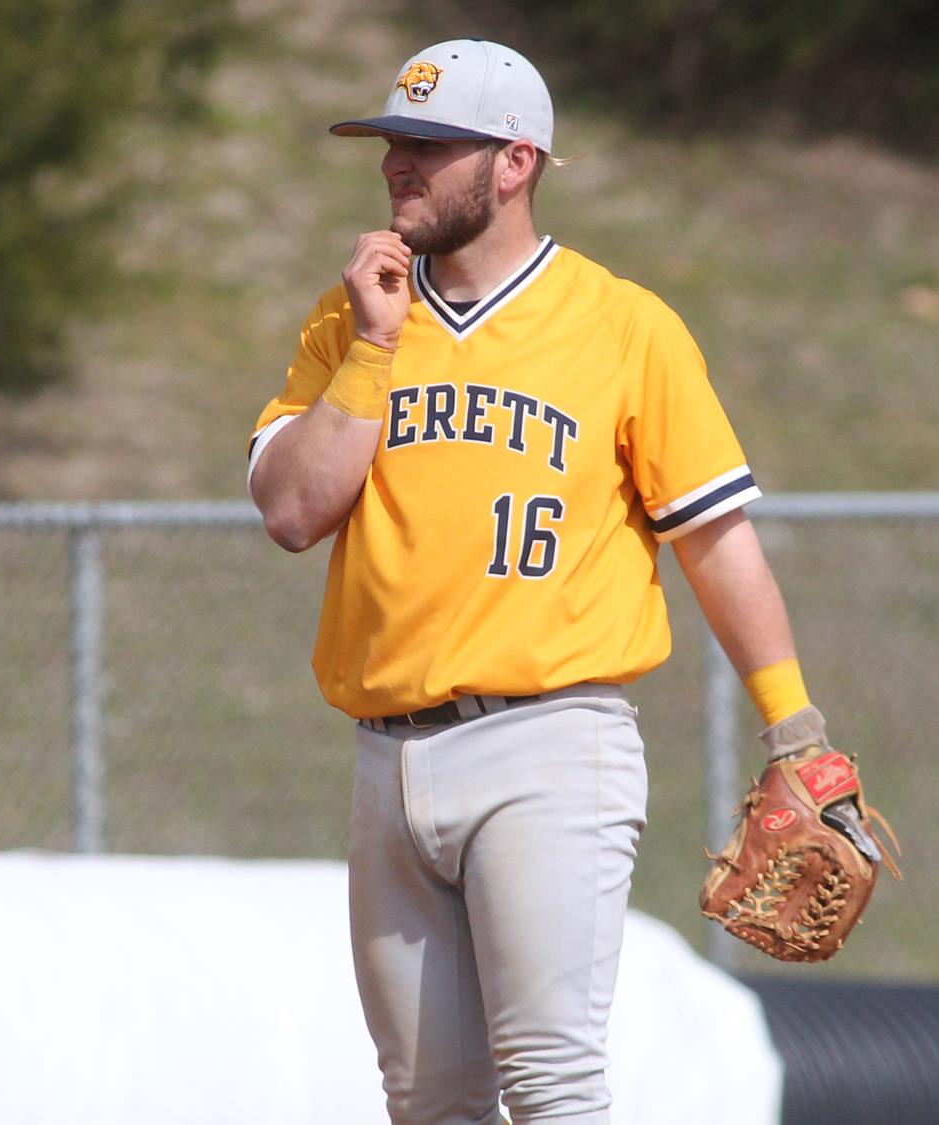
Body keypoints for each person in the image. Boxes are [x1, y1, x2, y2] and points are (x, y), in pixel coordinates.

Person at [248, 38, 844, 1125]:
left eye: (430, 147)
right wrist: (373, 350)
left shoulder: (623, 327)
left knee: (552, 1085)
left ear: (514, 163)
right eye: (391, 144)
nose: (396, 167)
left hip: (548, 745)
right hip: (386, 757)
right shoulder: (350, 318)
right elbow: (291, 511)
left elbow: (714, 538)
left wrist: (791, 728)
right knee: (425, 1103)